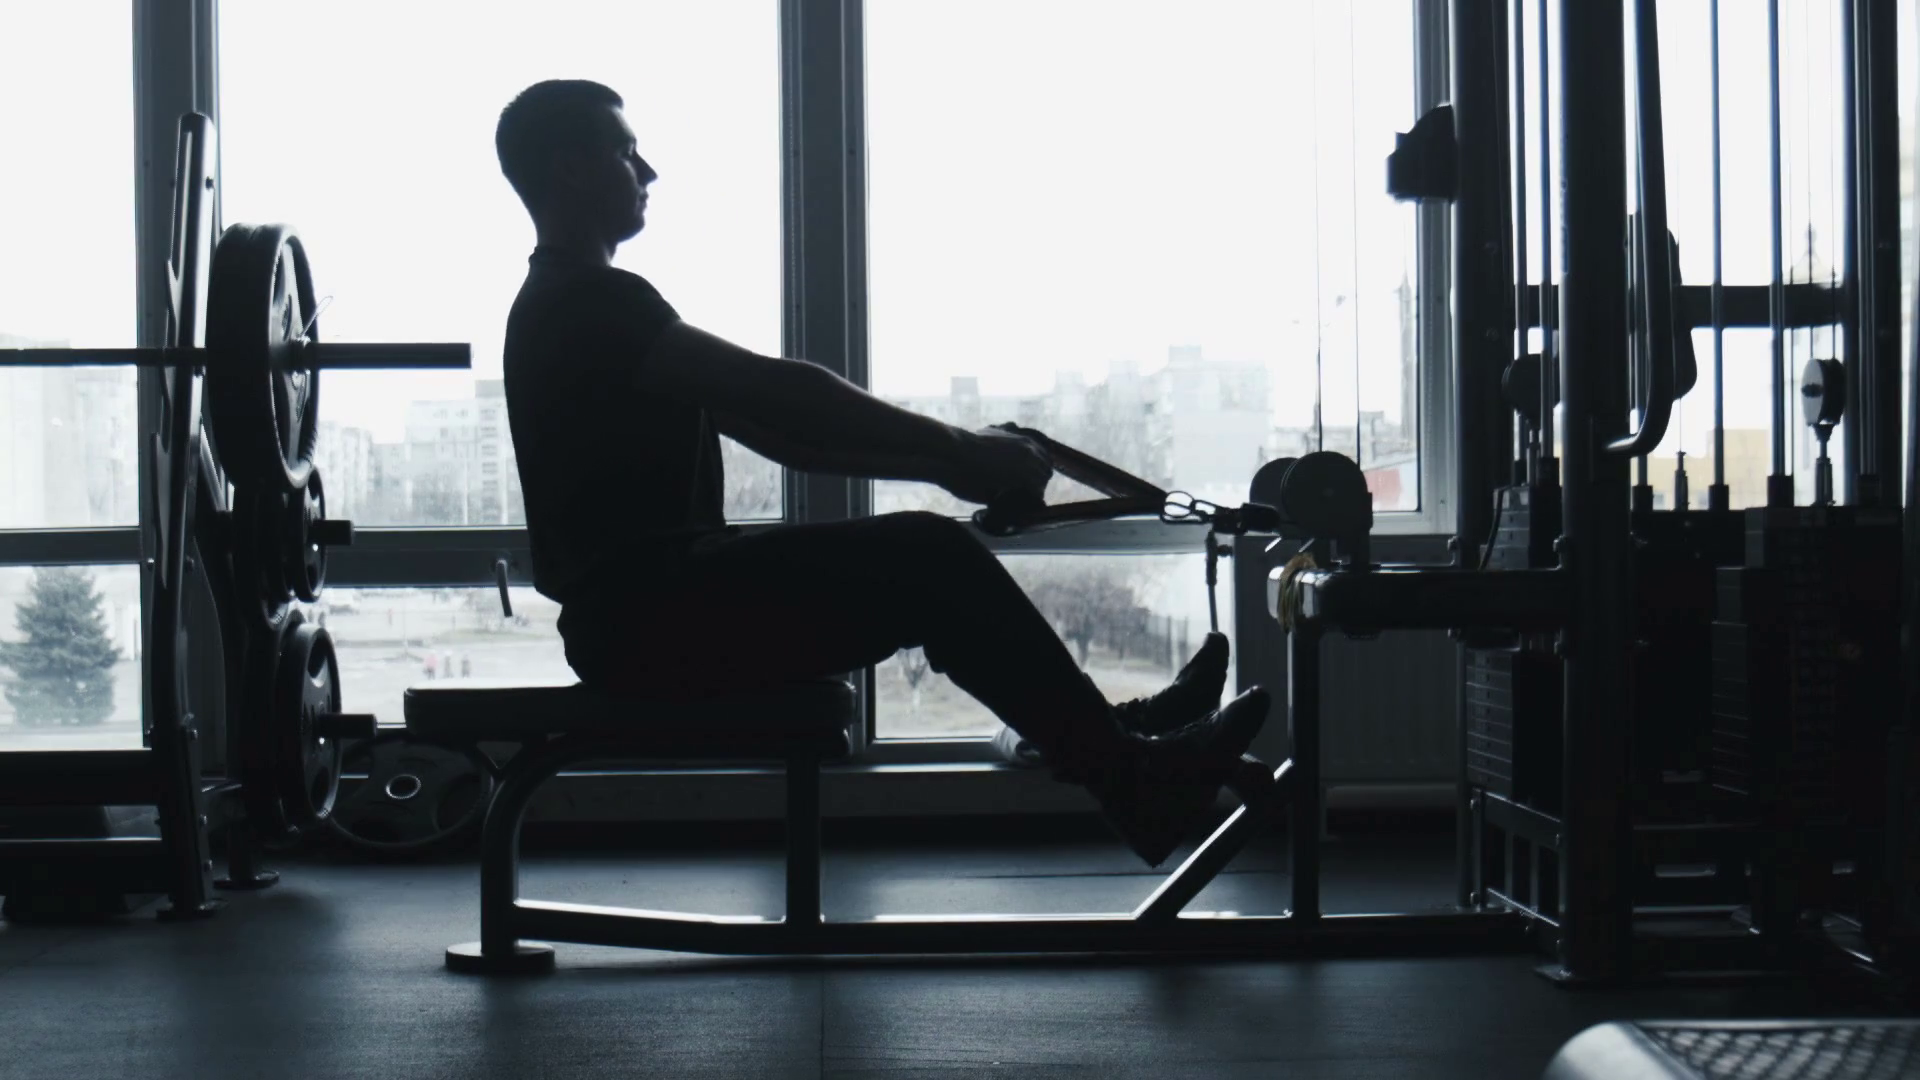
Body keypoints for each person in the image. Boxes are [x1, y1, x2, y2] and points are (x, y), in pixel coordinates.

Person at [495, 80, 1271, 867]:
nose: (649, 171)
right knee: (928, 557)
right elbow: (783, 391)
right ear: (567, 168)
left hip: (643, 618)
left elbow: (787, 437)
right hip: (645, 623)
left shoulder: (575, 304)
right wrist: (960, 452)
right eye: (628, 152)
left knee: (927, 553)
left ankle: (1121, 743)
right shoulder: (590, 301)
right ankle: (1133, 776)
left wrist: (948, 465)